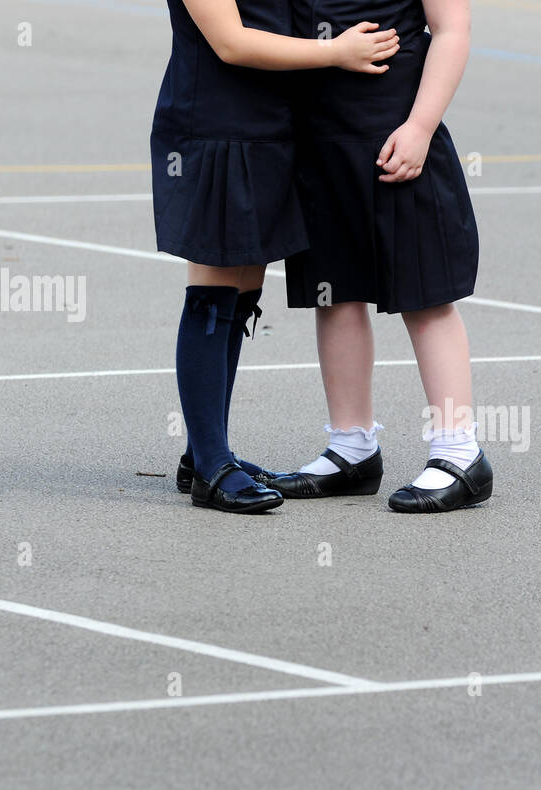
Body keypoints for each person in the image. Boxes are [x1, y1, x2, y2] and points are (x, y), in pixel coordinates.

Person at [152, 0, 399, 513]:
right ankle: (211, 467)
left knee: (242, 291)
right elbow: (231, 41)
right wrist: (335, 51)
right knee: (213, 290)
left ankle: (203, 449)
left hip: (271, 128)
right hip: (214, 125)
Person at [272, 0, 492, 513]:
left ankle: (459, 451)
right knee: (335, 294)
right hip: (321, 140)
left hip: (398, 137)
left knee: (427, 295)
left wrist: (420, 127)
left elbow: (452, 29)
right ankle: (351, 448)